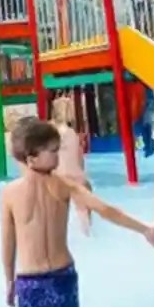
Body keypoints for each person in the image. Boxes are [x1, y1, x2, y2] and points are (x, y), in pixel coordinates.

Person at [1, 118, 154, 307]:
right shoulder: (64, 185)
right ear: (31, 159)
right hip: (62, 277)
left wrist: (9, 280)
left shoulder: (10, 193)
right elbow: (106, 210)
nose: (58, 156)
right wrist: (145, 229)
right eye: (53, 151)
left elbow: (8, 242)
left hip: (30, 284)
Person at [50, 95, 93, 235]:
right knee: (84, 215)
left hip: (59, 178)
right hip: (77, 177)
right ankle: (87, 233)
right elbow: (80, 161)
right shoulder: (72, 134)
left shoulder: (51, 131)